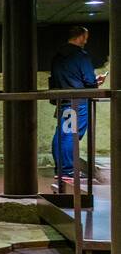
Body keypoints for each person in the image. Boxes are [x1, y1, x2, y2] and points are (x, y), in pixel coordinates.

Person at [49, 26, 107, 189]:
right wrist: (97, 82)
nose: (86, 41)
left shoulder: (58, 56)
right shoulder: (81, 56)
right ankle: (67, 171)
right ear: (81, 37)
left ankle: (60, 168)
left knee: (61, 133)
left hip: (62, 99)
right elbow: (88, 80)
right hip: (78, 101)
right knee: (71, 134)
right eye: (86, 37)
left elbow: (54, 79)